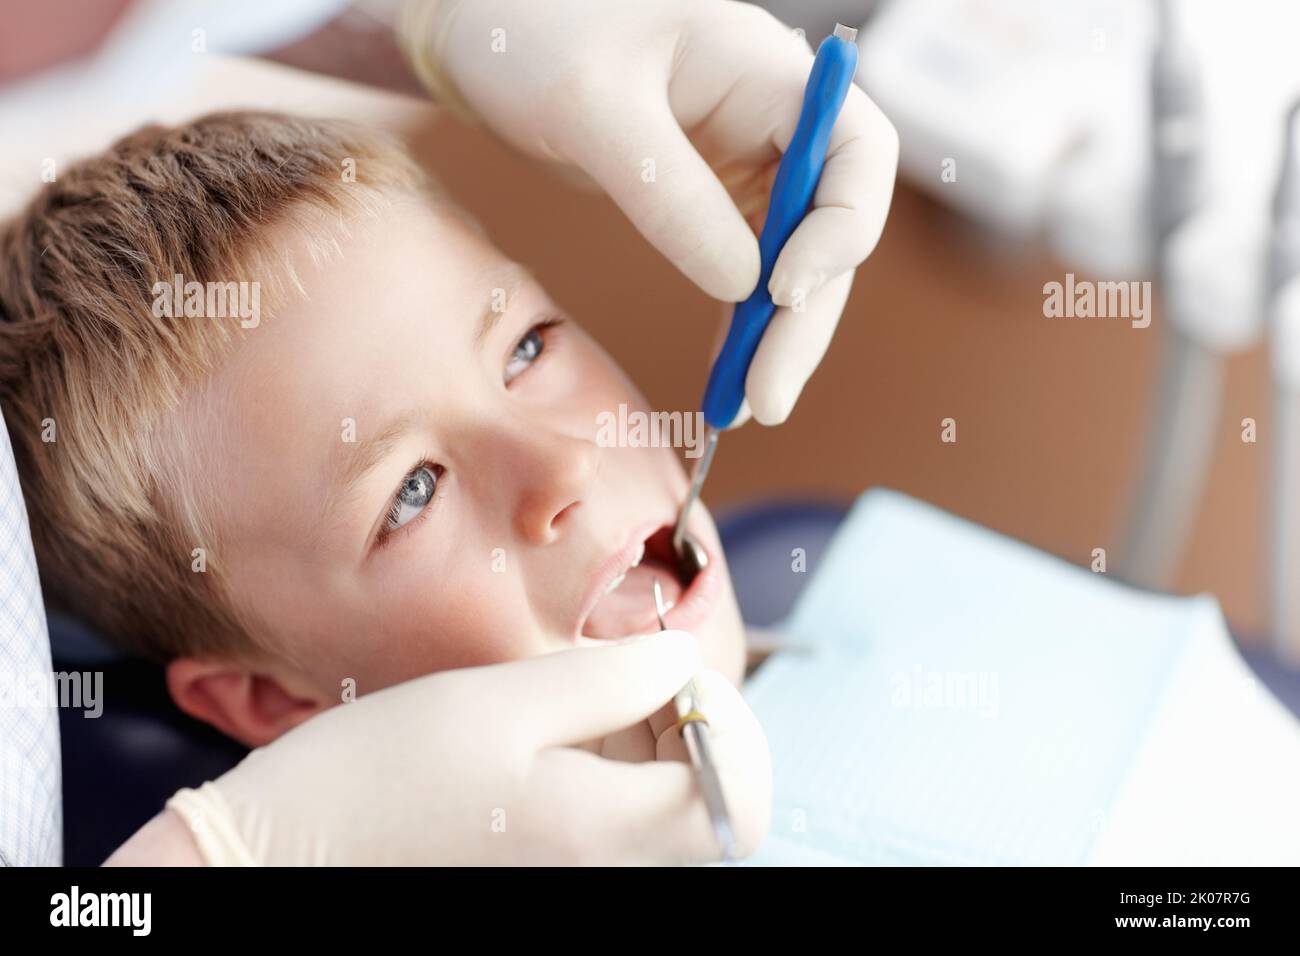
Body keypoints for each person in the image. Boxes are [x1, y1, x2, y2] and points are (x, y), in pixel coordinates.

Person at [0, 0, 896, 866]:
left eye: (526, 349)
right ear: (274, 699)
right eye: (412, 493)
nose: (567, 464)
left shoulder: (868, 597)